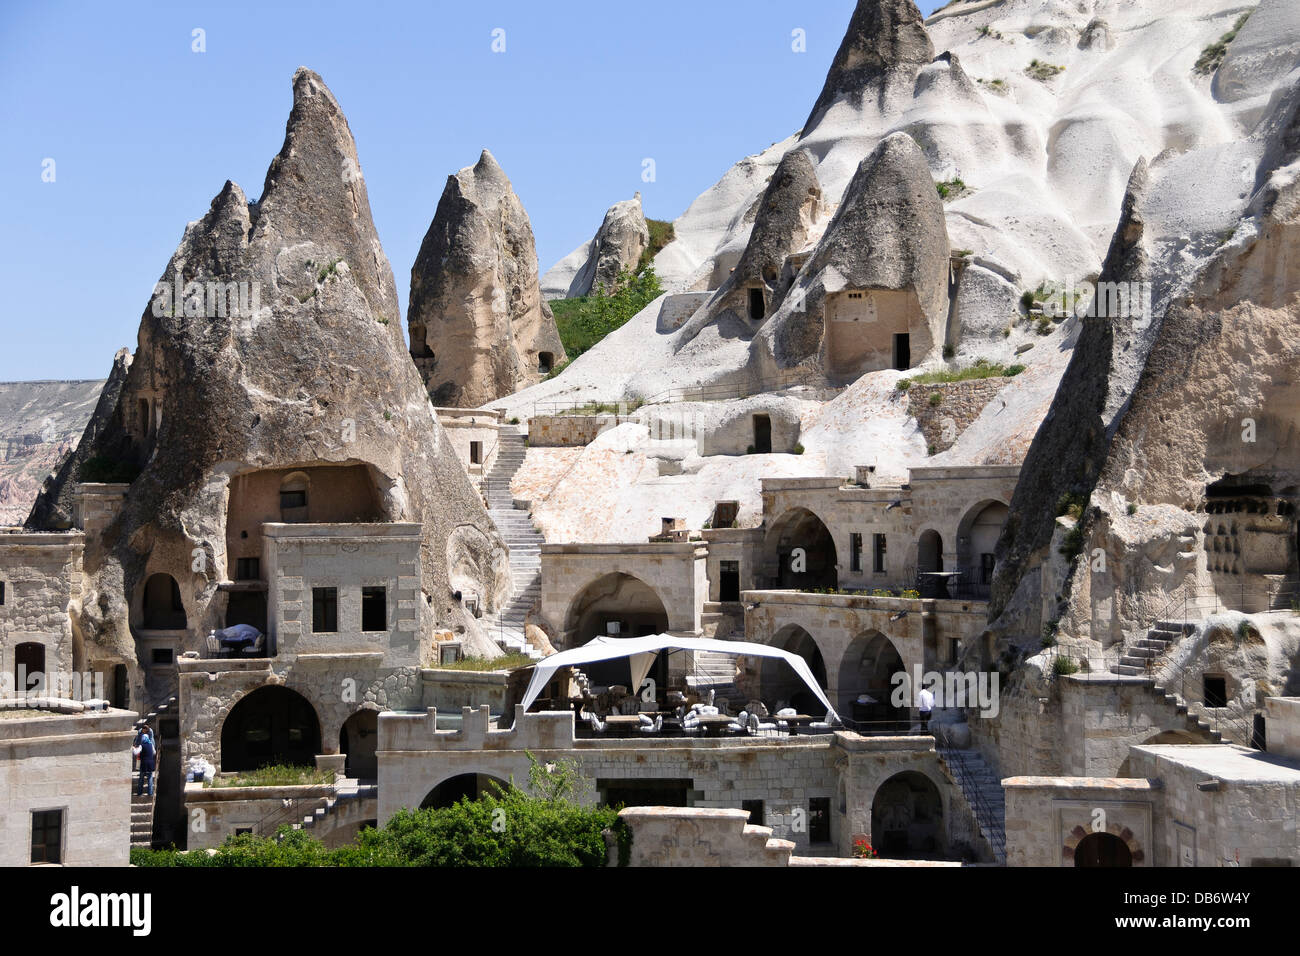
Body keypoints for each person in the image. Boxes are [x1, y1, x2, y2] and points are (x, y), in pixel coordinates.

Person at [134, 725, 157, 797]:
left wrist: (133, 748)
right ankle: (150, 793)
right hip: (150, 764)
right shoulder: (151, 745)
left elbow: (136, 752)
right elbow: (154, 753)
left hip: (143, 763)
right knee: (150, 778)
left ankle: (140, 793)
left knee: (141, 778)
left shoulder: (141, 745)